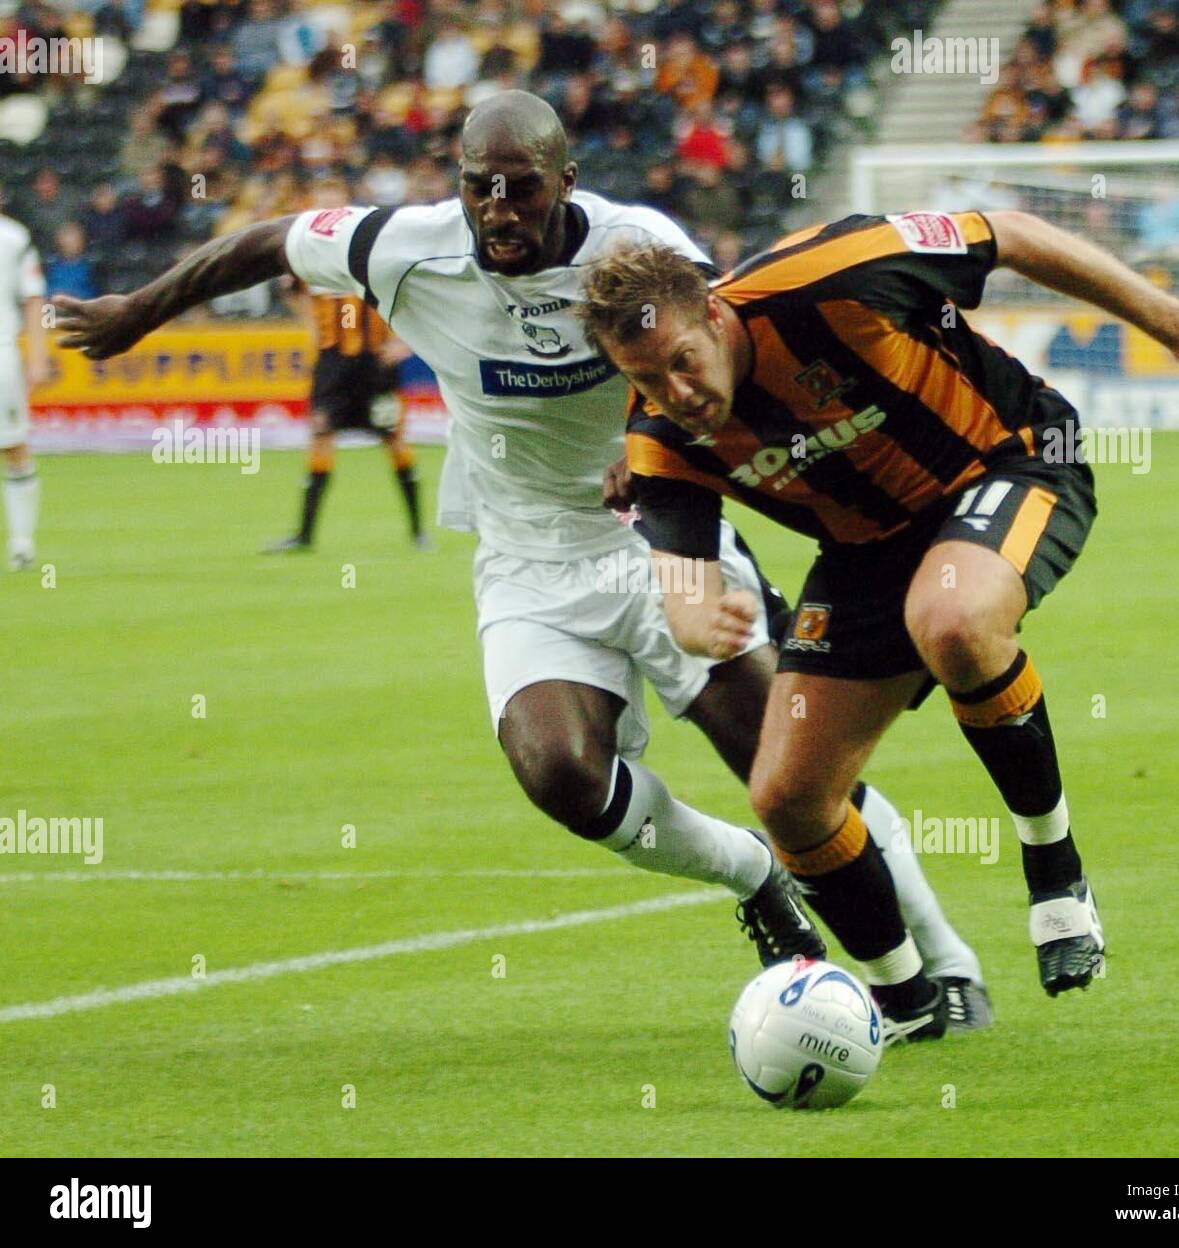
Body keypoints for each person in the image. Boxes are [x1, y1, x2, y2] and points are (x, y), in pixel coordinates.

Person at [53, 94, 988, 1039]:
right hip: (523, 560)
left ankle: (944, 963)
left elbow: (725, 343)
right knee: (557, 773)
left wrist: (665, 437)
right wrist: (139, 312)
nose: (498, 209)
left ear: (567, 181)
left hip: (658, 543)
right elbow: (267, 240)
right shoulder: (406, 245)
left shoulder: (634, 247)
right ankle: (749, 875)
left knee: (792, 774)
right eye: (477, 188)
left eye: (522, 188)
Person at [577, 210, 1179, 996]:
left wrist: (1171, 322)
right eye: (646, 378)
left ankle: (1055, 870)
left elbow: (1013, 235)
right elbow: (681, 573)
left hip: (1010, 460)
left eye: (682, 362)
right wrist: (693, 619)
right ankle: (905, 996)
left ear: (716, 313)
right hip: (866, 554)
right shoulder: (658, 433)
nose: (675, 393)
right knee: (787, 799)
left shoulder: (835, 273)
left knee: (952, 619)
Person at [264, 179, 426, 553]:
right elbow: (293, 294)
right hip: (332, 365)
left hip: (375, 365)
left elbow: (410, 293)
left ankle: (418, 532)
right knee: (320, 438)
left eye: (334, 205)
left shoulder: (372, 249)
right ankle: (304, 536)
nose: (328, 213)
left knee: (394, 439)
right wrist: (313, 328)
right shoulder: (304, 254)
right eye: (321, 206)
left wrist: (403, 342)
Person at [0, 194, 49, 571]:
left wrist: (36, 355)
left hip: (2, 351)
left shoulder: (14, 238)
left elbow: (33, 299)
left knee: (13, 446)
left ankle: (21, 543)